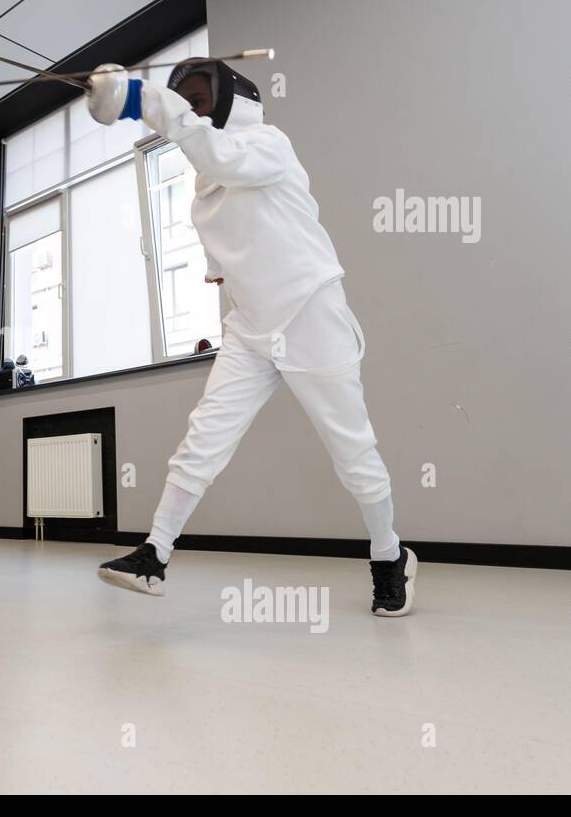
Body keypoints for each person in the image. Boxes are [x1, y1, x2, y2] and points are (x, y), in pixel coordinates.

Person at [87, 59, 415, 616]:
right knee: (203, 439)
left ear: (232, 98)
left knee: (351, 451)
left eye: (199, 98)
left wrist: (145, 99)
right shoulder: (202, 186)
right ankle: (154, 554)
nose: (191, 109)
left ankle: (389, 556)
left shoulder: (267, 144)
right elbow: (221, 261)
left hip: (311, 310)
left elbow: (221, 155)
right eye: (183, 99)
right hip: (250, 325)